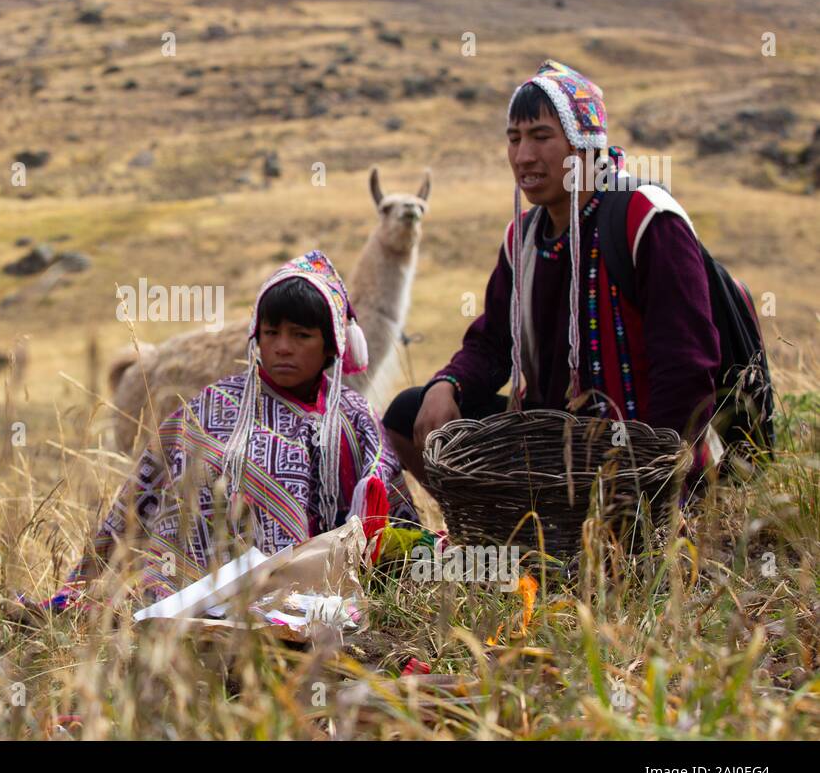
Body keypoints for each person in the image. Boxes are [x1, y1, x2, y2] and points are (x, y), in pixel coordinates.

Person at [384, 60, 722, 490]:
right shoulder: (523, 238)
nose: (523, 156)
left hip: (639, 454)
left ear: (584, 145)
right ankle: (497, 522)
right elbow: (493, 344)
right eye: (514, 139)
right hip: (551, 446)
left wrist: (650, 479)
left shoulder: (646, 220)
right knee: (407, 413)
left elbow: (686, 367)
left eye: (541, 137)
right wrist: (447, 385)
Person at [69, 250, 417, 603]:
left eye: (300, 335)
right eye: (271, 333)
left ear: (331, 345)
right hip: (202, 598)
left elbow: (394, 516)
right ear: (256, 338)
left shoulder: (357, 417)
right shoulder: (210, 410)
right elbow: (143, 496)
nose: (282, 347)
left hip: (338, 596)